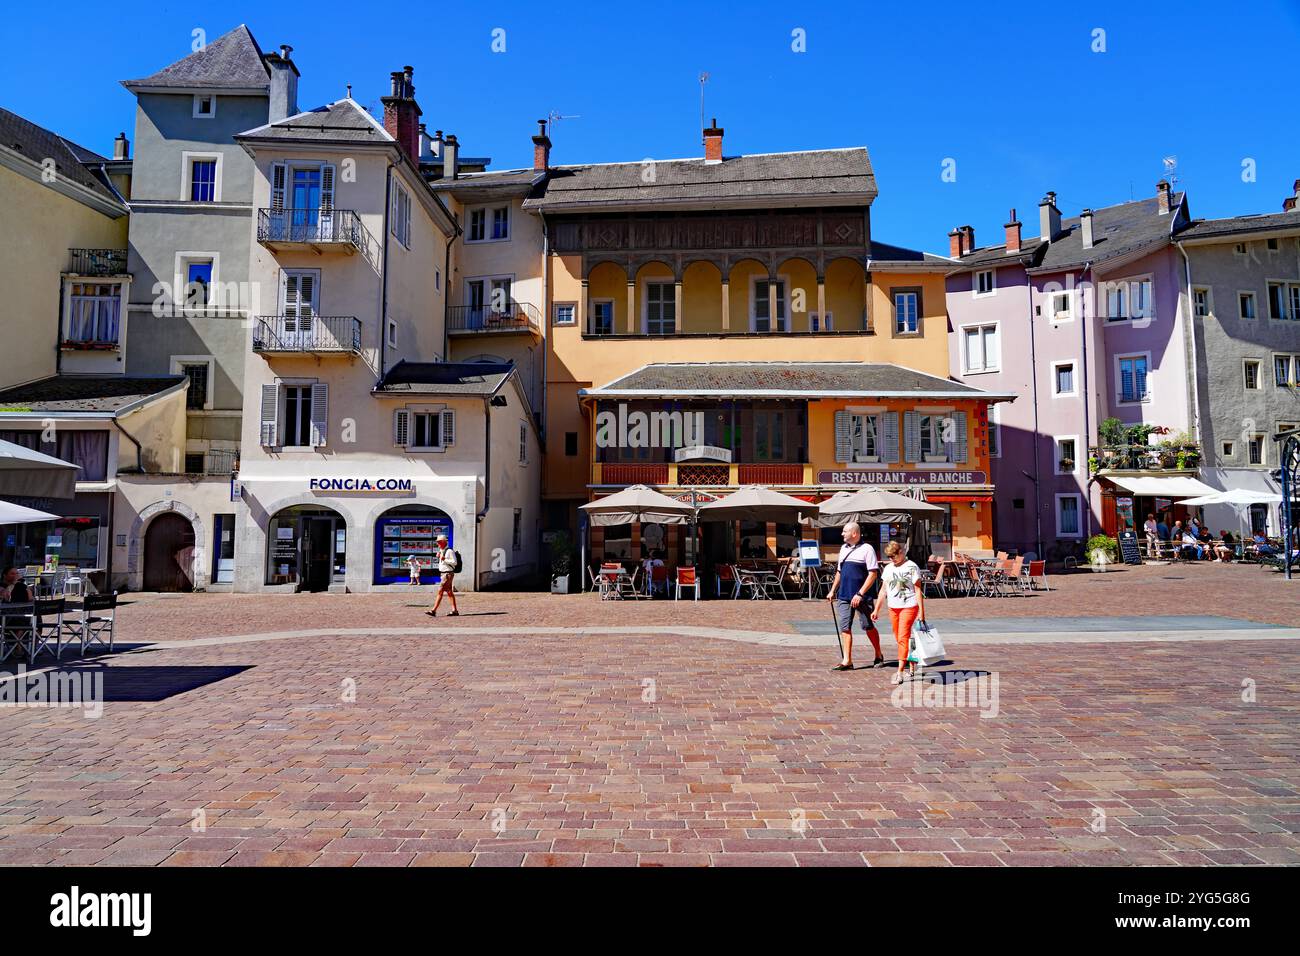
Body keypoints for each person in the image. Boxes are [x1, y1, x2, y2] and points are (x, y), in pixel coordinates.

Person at [826, 522, 883, 671]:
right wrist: (833, 590)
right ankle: (847, 660)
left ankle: (878, 654)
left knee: (868, 626)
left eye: (845, 531)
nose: (842, 534)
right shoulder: (843, 548)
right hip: (844, 595)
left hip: (862, 597)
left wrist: (860, 593)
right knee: (845, 627)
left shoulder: (867, 549)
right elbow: (840, 571)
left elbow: (873, 574)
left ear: (854, 534)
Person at [872, 541, 925, 684]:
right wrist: (876, 609)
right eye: (889, 557)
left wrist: (922, 612)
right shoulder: (888, 568)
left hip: (909, 606)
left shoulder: (911, 567)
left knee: (902, 637)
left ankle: (900, 672)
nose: (892, 559)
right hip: (893, 607)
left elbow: (918, 590)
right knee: (902, 639)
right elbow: (883, 590)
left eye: (894, 556)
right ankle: (912, 667)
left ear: (901, 552)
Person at [426, 535, 460, 617]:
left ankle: (433, 610)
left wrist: (443, 558)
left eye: (439, 542)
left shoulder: (449, 551)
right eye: (437, 542)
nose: (438, 543)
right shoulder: (442, 550)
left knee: (440, 591)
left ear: (444, 542)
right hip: (444, 573)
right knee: (449, 592)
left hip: (447, 573)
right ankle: (454, 610)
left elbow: (454, 562)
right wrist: (441, 557)